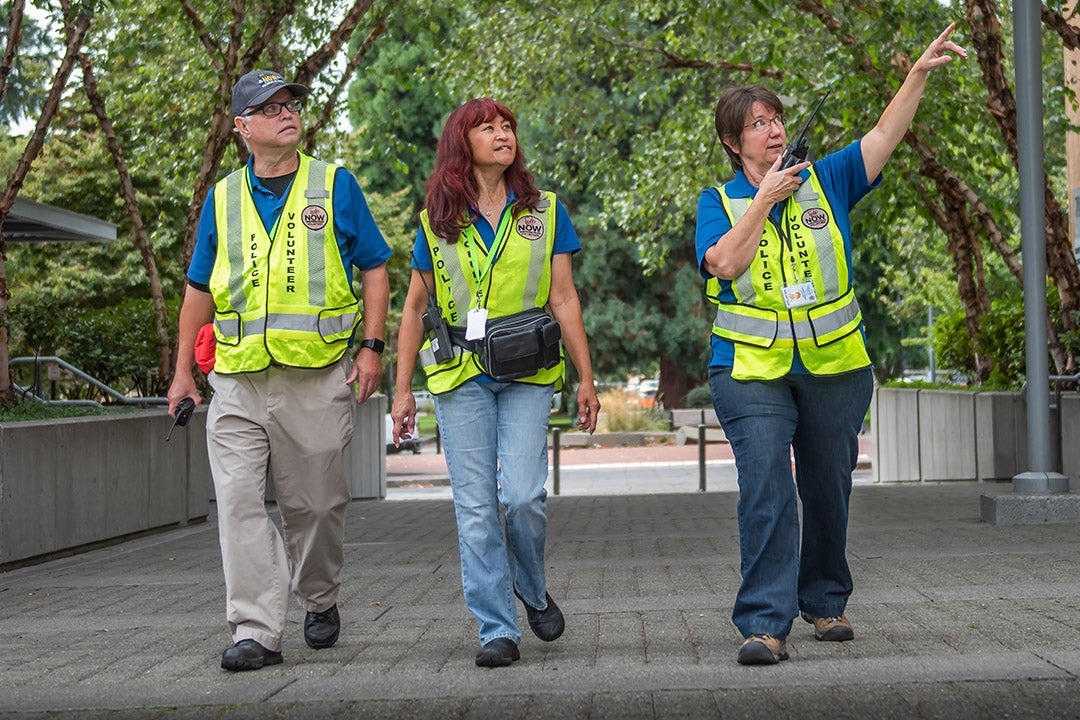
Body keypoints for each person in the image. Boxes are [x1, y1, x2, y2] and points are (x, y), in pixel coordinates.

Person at [695, 26, 966, 666]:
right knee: (767, 489)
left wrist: (918, 74)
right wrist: (763, 200)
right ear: (734, 143)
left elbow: (882, 135)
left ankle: (824, 600)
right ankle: (764, 623)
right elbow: (724, 266)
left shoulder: (829, 180)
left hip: (836, 367)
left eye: (778, 119)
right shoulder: (719, 201)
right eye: (759, 124)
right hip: (750, 371)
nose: (775, 130)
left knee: (826, 490)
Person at [167, 69, 391, 672]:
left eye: (290, 103)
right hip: (236, 379)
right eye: (269, 108)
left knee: (315, 504)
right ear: (242, 128)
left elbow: (374, 268)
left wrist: (372, 345)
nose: (286, 113)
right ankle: (256, 630)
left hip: (315, 374)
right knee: (238, 501)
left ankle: (319, 596)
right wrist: (183, 371)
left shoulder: (334, 185)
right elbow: (197, 289)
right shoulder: (223, 197)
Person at [390, 98, 600, 668]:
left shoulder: (545, 209)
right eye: (489, 127)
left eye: (508, 126)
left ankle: (530, 588)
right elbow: (414, 308)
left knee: (524, 496)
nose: (503, 134)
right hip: (460, 374)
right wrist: (403, 388)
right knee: (477, 507)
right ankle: (496, 627)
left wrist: (586, 378)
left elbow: (564, 297)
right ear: (464, 142)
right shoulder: (436, 217)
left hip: (530, 369)